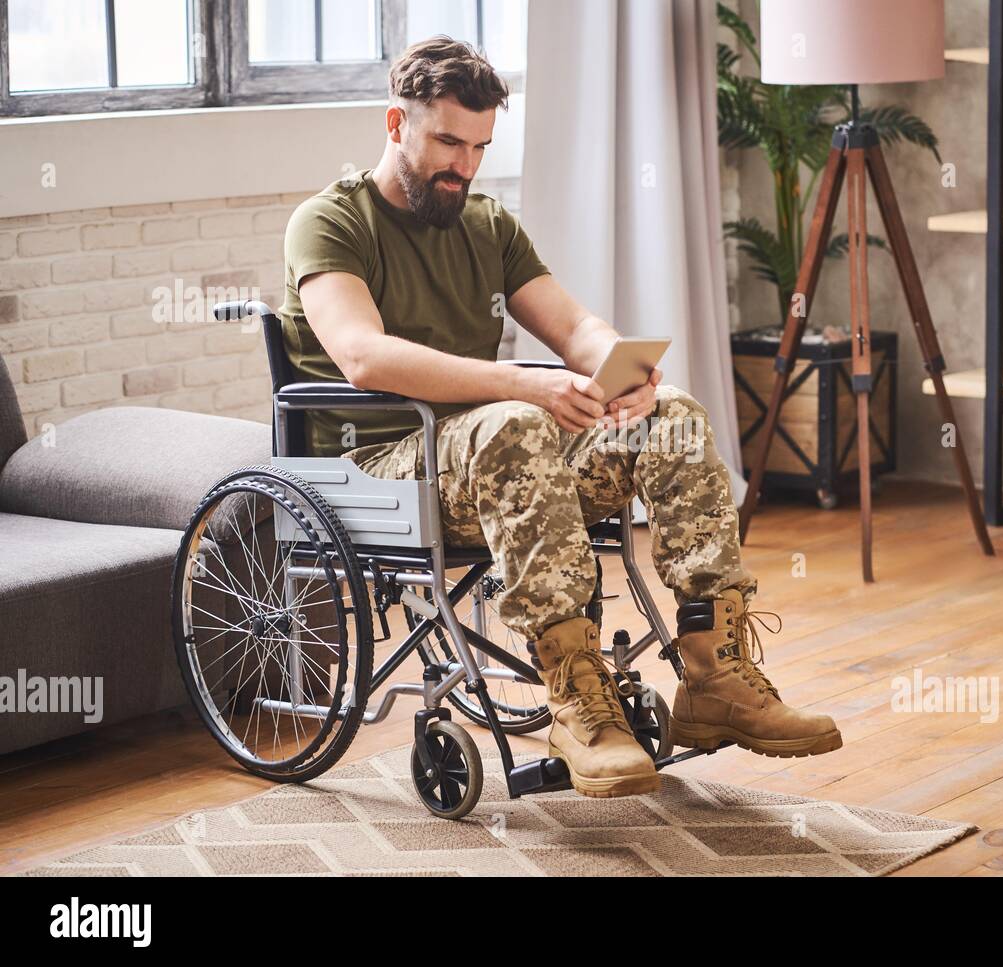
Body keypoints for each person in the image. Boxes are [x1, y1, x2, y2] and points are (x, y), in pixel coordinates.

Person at [279, 36, 841, 799]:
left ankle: (714, 675)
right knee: (512, 421)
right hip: (379, 466)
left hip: (501, 457)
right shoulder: (329, 221)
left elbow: (575, 330)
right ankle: (576, 702)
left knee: (670, 414)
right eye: (447, 141)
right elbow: (363, 357)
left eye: (479, 145)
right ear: (394, 124)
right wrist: (523, 384)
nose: (464, 165)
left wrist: (624, 370)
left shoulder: (486, 224)